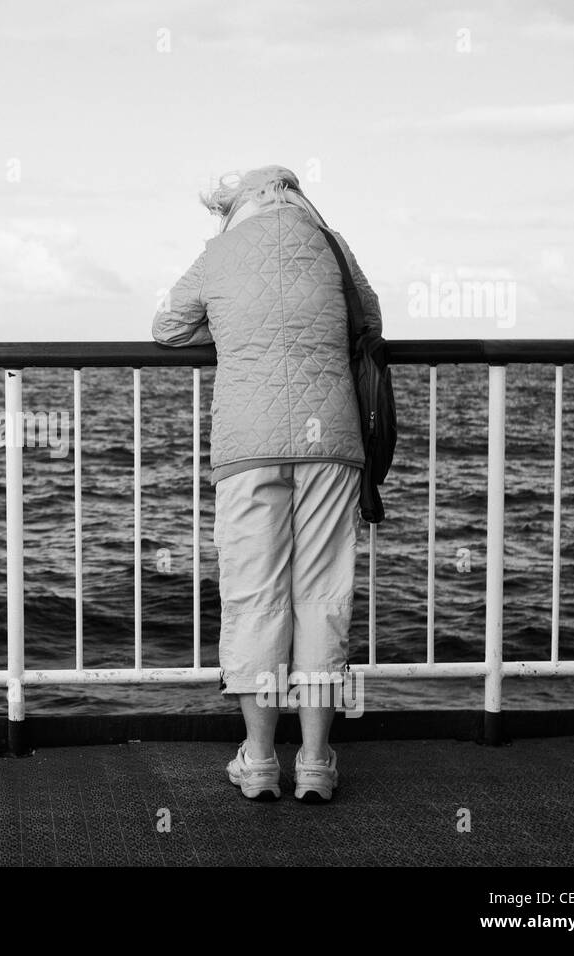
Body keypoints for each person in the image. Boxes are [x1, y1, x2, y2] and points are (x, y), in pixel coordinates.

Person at [152, 165, 382, 802]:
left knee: (255, 597)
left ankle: (257, 760)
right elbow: (371, 320)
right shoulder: (333, 245)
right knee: (322, 598)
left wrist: (228, 329)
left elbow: (165, 328)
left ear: (235, 205)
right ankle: (314, 761)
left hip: (249, 448)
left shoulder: (219, 253)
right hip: (330, 444)